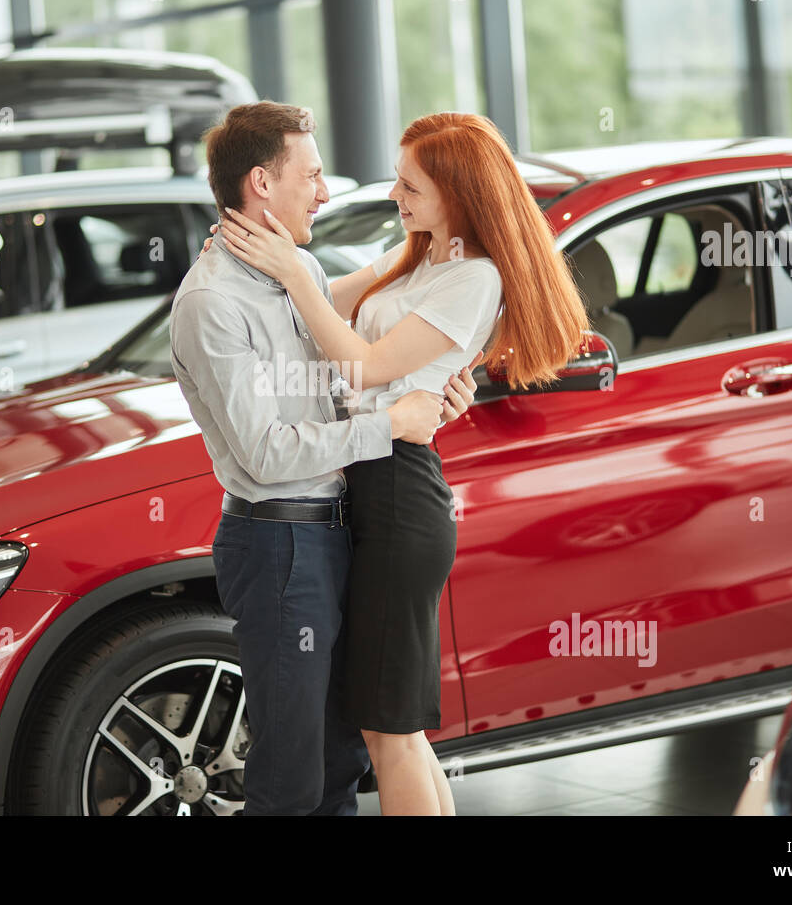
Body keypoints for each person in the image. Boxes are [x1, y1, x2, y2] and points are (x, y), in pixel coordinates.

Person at [217, 111, 589, 815]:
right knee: (396, 730)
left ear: (457, 192)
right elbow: (330, 305)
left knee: (388, 733)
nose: (395, 194)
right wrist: (275, 266)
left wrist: (293, 273)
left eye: (410, 184)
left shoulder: (474, 278)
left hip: (396, 499)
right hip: (375, 486)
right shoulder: (421, 255)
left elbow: (362, 366)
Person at [169, 101, 482, 816]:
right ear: (261, 184)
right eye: (311, 174)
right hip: (280, 542)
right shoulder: (212, 303)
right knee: (294, 774)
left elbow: (341, 384)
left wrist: (425, 404)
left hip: (338, 532)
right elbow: (267, 450)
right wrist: (390, 427)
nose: (325, 190)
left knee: (342, 760)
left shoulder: (296, 270)